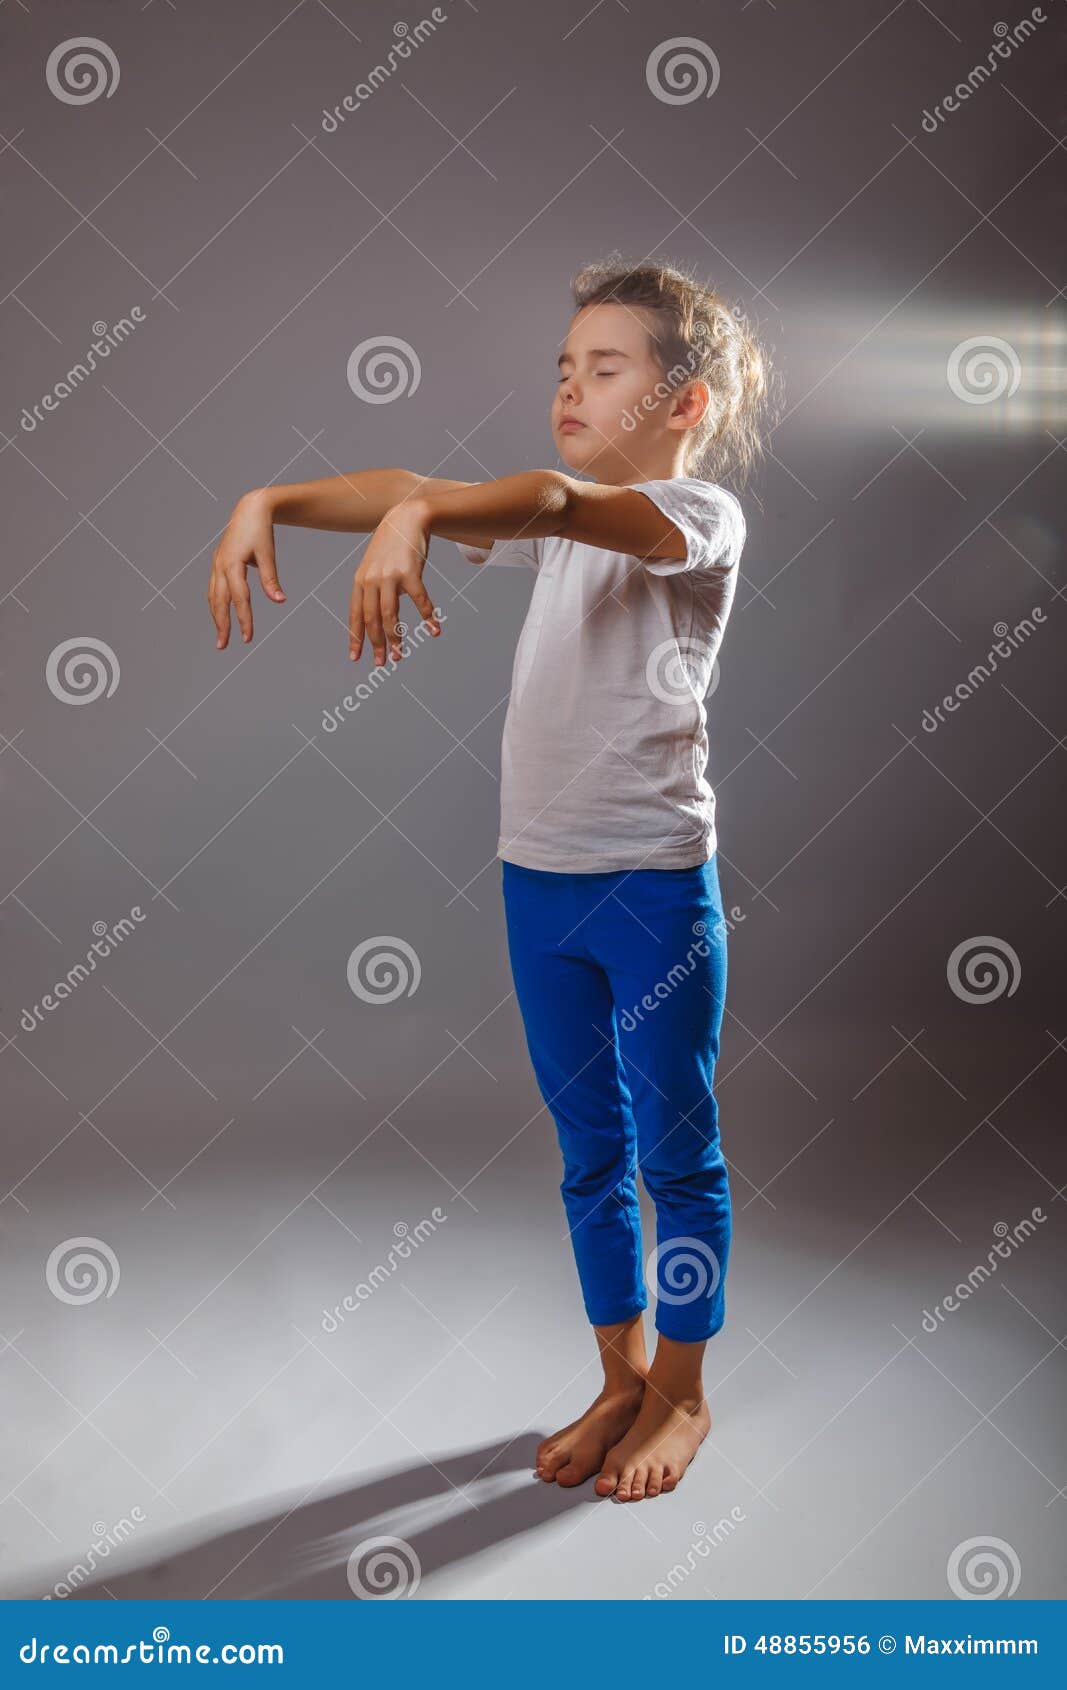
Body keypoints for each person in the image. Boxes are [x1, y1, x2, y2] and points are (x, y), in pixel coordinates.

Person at [206, 257, 773, 1502]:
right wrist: (274, 497)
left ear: (683, 402)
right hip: (539, 883)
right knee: (586, 1148)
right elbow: (420, 491)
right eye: (561, 368)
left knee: (674, 1151)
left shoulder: (693, 520)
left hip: (653, 892)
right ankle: (619, 1374)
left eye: (604, 367)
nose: (569, 386)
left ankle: (681, 1392)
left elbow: (567, 502)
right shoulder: (548, 527)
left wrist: (431, 518)